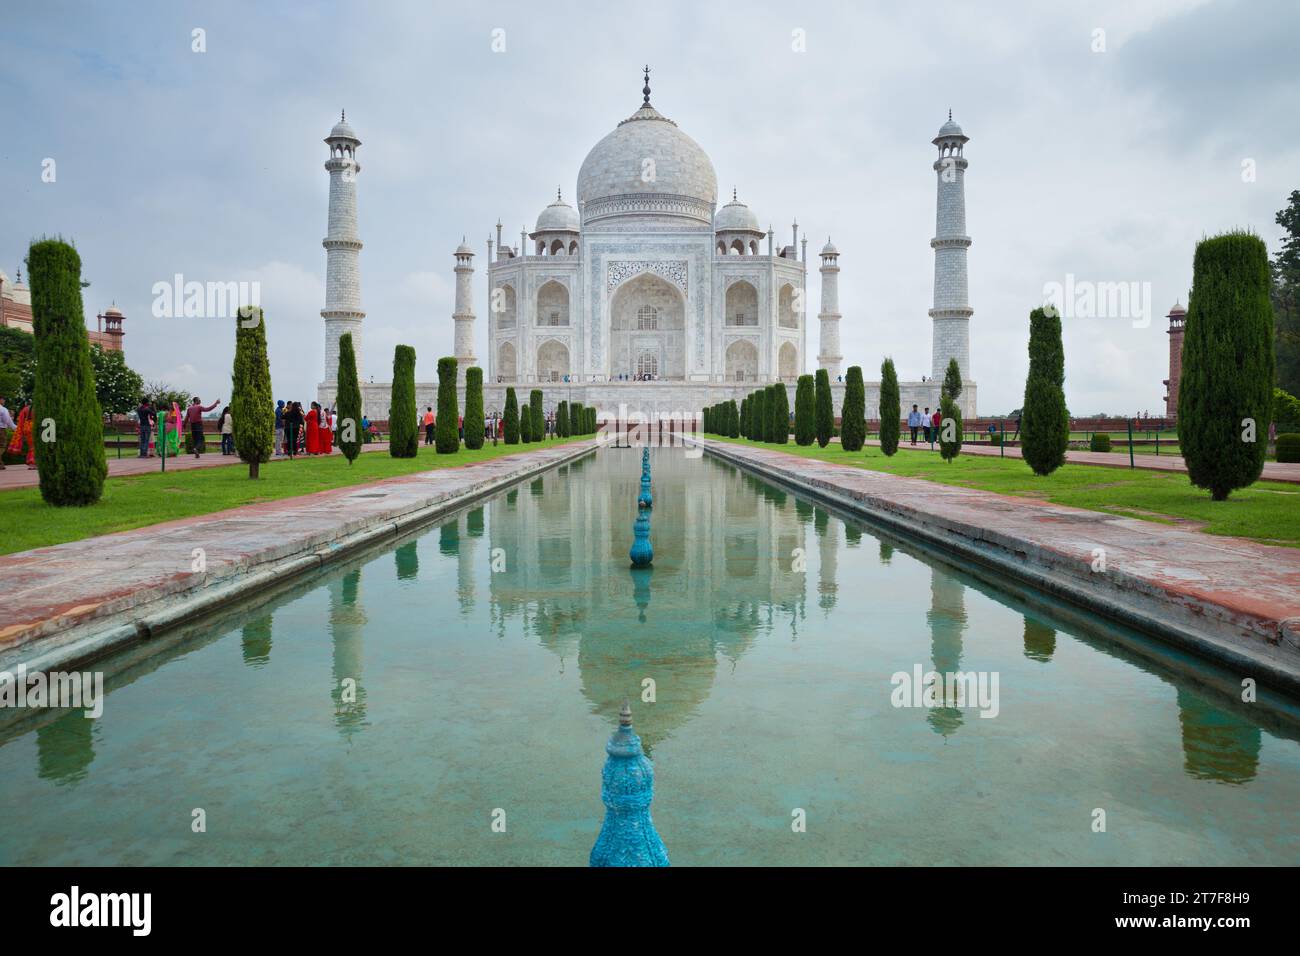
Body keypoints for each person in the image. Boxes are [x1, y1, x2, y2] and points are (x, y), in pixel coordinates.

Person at [7, 403, 35, 469]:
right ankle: (33, 463)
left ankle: (30, 462)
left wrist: (20, 431)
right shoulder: (39, 408)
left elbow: (20, 420)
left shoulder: (25, 409)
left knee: (31, 446)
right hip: (34, 427)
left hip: (27, 427)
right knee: (35, 446)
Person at [0, 397, 16, 469]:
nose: (4, 401)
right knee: (1, 446)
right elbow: (7, 421)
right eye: (3, 399)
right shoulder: (3, 409)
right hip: (1, 430)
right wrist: (16, 429)